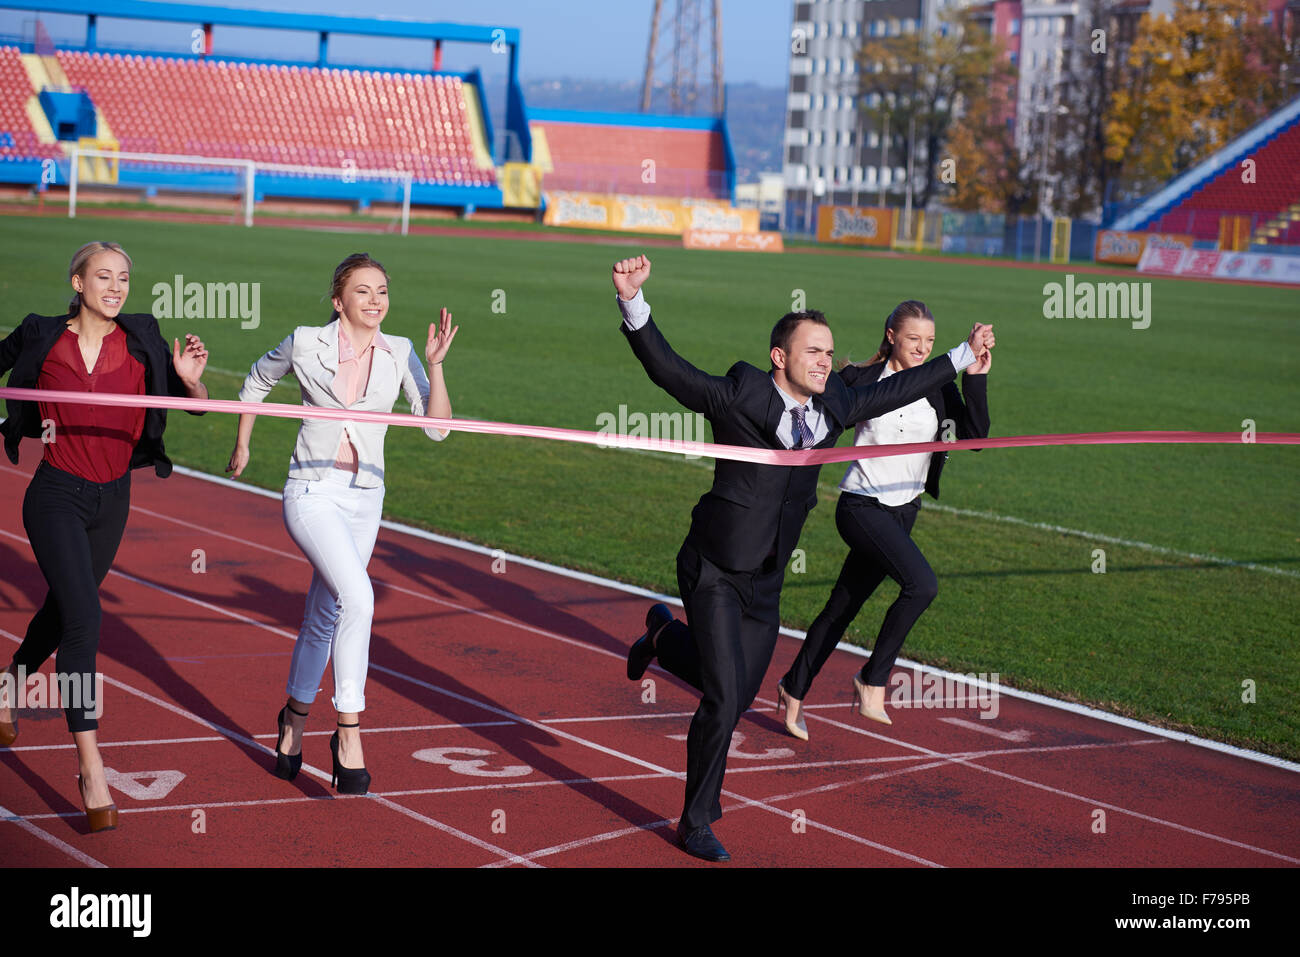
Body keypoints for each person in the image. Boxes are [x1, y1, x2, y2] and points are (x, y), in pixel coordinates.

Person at [613, 255, 993, 861]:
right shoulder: (740, 394)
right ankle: (696, 821)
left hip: (766, 581)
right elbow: (670, 372)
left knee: (735, 697)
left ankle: (662, 638)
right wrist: (634, 304)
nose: (824, 360)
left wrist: (960, 358)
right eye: (812, 351)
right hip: (713, 566)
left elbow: (898, 385)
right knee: (721, 701)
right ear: (779, 358)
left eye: (829, 351)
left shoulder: (836, 403)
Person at [227, 252, 455, 795]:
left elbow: (438, 428)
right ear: (339, 300)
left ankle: (293, 722)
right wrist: (244, 442)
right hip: (310, 491)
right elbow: (257, 380)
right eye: (363, 291)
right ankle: (348, 732)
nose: (375, 301)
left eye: (382, 291)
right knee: (361, 599)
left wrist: (436, 363)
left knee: (325, 613)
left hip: (365, 497)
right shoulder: (307, 341)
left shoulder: (400, 351)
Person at [0, 240, 209, 833]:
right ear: (77, 280)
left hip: (113, 499)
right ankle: (91, 766)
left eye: (124, 278)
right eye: (104, 276)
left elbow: (191, 407)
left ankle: (9, 684)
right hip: (55, 495)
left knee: (66, 607)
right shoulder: (41, 334)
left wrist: (190, 383)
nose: (116, 287)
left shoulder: (141, 335)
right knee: (86, 619)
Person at [777, 300, 991, 739]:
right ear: (892, 335)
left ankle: (792, 688)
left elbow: (975, 440)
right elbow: (815, 407)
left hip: (903, 511)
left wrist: (976, 379)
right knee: (922, 585)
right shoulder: (860, 379)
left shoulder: (936, 386)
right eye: (914, 339)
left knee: (843, 605)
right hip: (860, 507)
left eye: (930, 342)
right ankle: (872, 680)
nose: (922, 348)